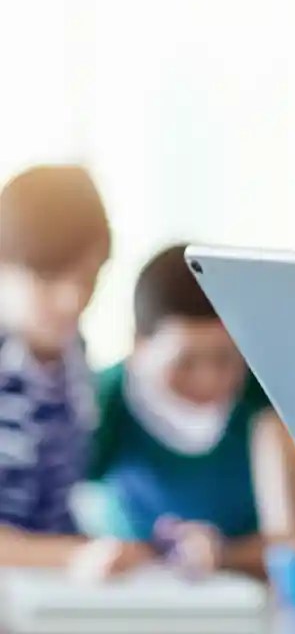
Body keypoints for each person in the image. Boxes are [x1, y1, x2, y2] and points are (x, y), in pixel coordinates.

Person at [0, 164, 153, 576]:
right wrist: (70, 555)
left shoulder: (73, 356)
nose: (73, 300)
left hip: (47, 592)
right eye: (48, 280)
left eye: (88, 279)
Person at [88, 244, 274, 577]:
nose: (209, 380)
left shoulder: (268, 402)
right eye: (185, 362)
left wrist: (225, 554)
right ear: (138, 346)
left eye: (225, 359)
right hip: (137, 591)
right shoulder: (101, 400)